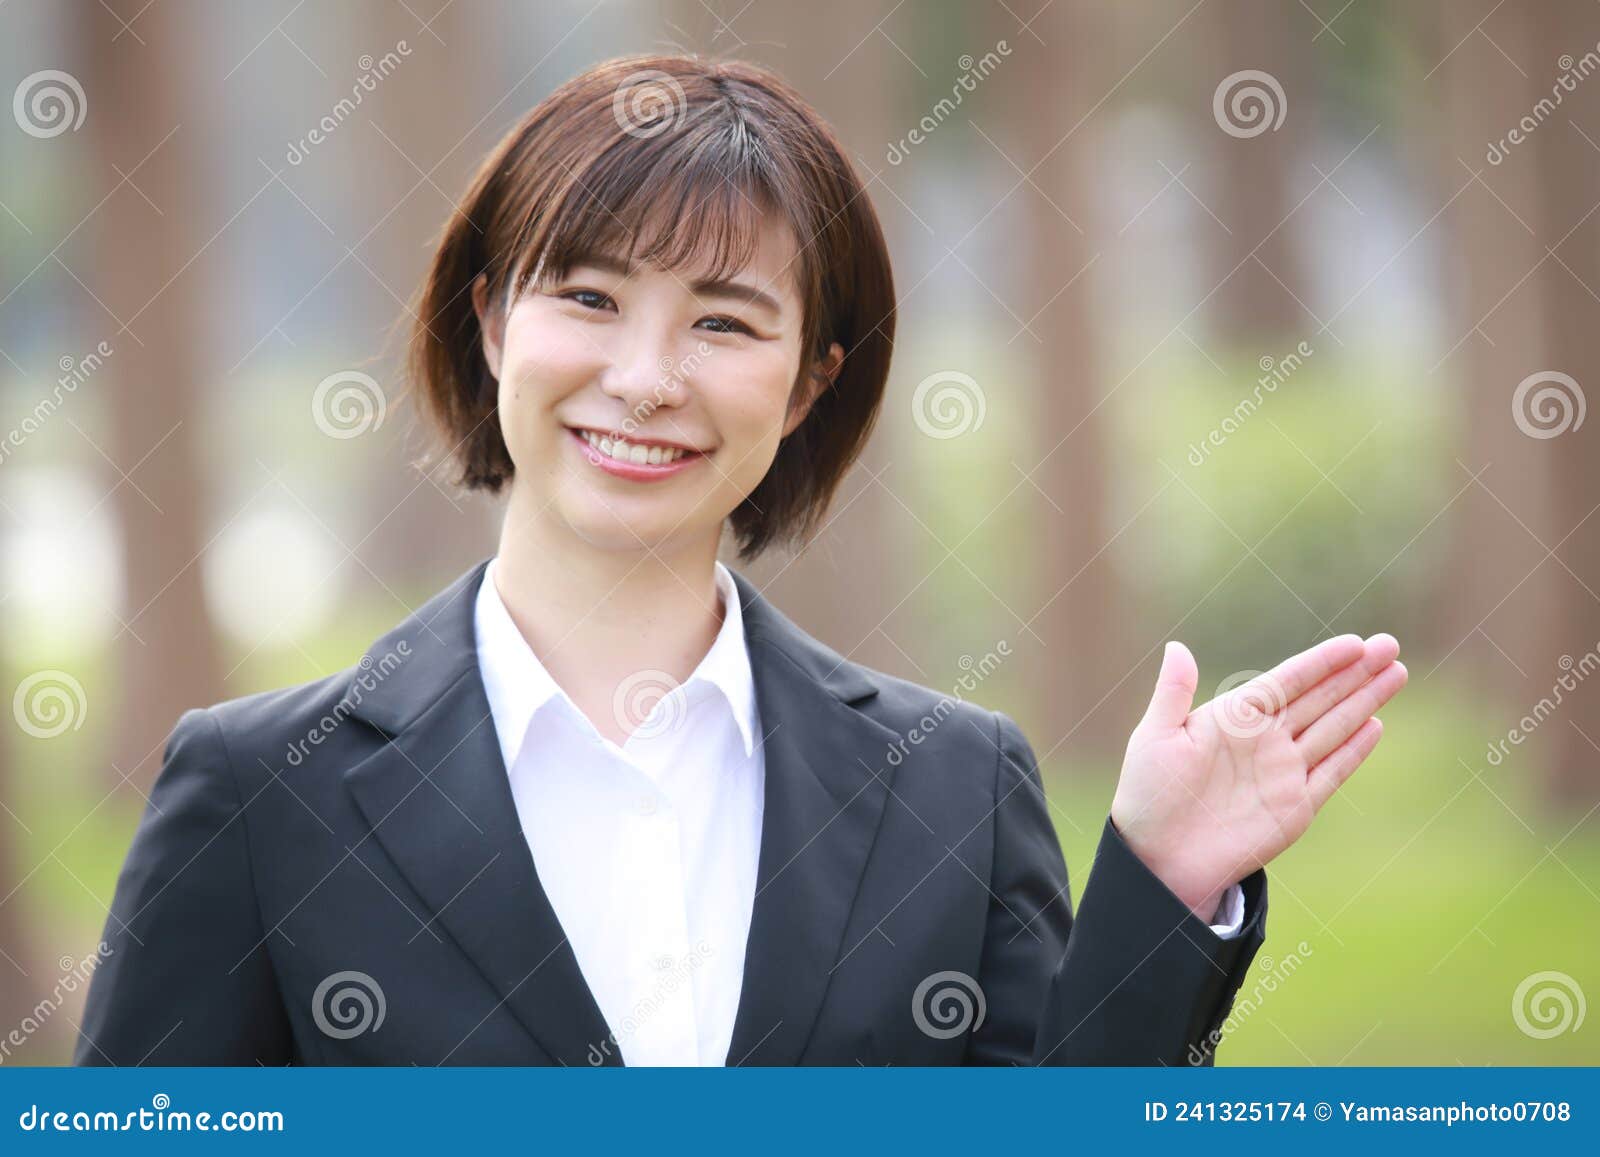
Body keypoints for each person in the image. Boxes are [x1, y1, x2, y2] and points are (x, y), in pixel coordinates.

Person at [75, 53, 1406, 1067]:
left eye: (724, 321)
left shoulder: (954, 787)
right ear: (490, 322)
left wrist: (1162, 889)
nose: (644, 379)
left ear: (812, 380)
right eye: (589, 299)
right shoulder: (260, 793)